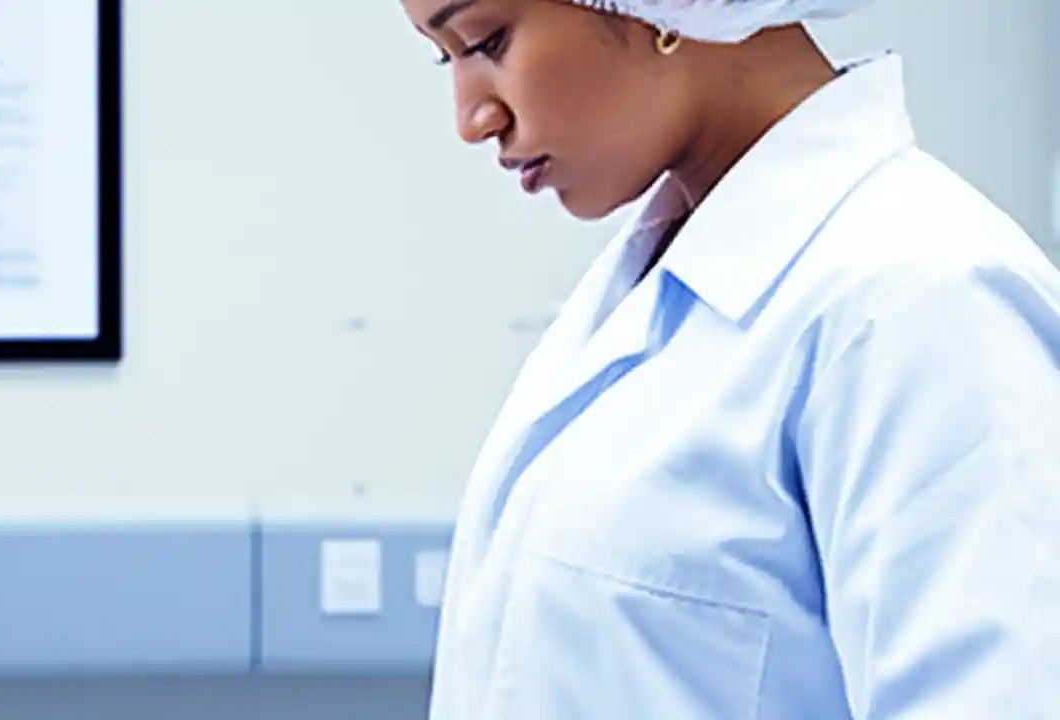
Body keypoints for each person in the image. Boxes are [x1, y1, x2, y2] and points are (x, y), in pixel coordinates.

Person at [397, 0, 1060, 717]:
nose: (472, 120)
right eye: (445, 55)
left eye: (485, 41)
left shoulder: (923, 302)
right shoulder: (641, 295)